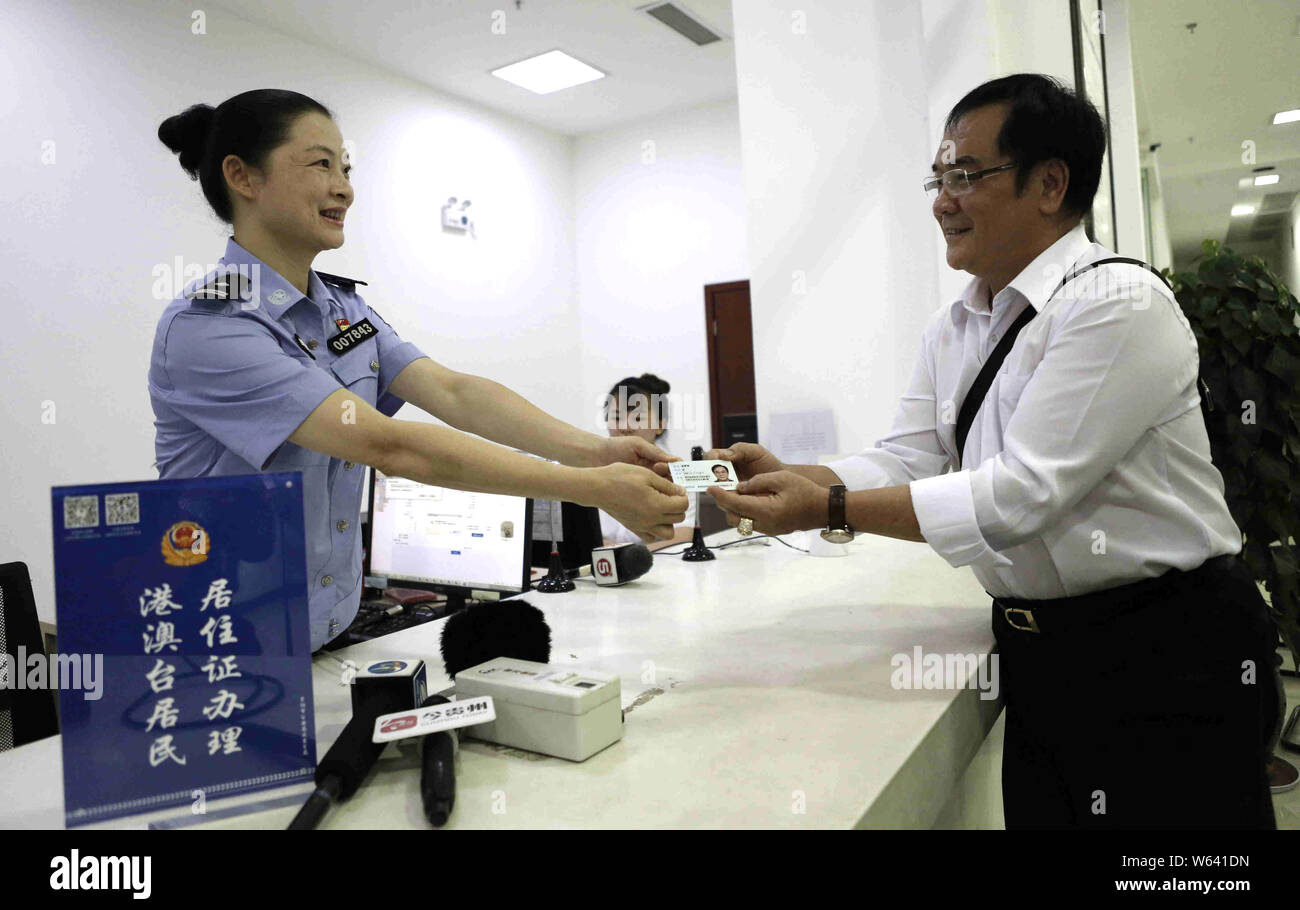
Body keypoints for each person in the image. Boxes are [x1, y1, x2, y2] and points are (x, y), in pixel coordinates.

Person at [704, 74, 1281, 829]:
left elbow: (1023, 493)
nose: (943, 199)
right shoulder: (955, 325)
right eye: (937, 177)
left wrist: (827, 507)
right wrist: (795, 474)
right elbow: (905, 458)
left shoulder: (1115, 304)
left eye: (966, 175)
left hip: (1163, 652)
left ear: (1050, 183)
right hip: (1039, 655)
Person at [150, 90, 686, 650]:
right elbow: (391, 446)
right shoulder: (208, 325)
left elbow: (452, 392)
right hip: (227, 649)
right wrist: (589, 487)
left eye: (346, 167)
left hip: (327, 632)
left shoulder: (342, 310)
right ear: (243, 177)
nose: (344, 187)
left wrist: (592, 452)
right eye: (320, 164)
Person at [600, 374, 695, 550]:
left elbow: (683, 535)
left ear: (660, 425)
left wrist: (628, 557)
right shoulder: (593, 469)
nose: (624, 427)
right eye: (617, 418)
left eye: (637, 418)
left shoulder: (676, 472)